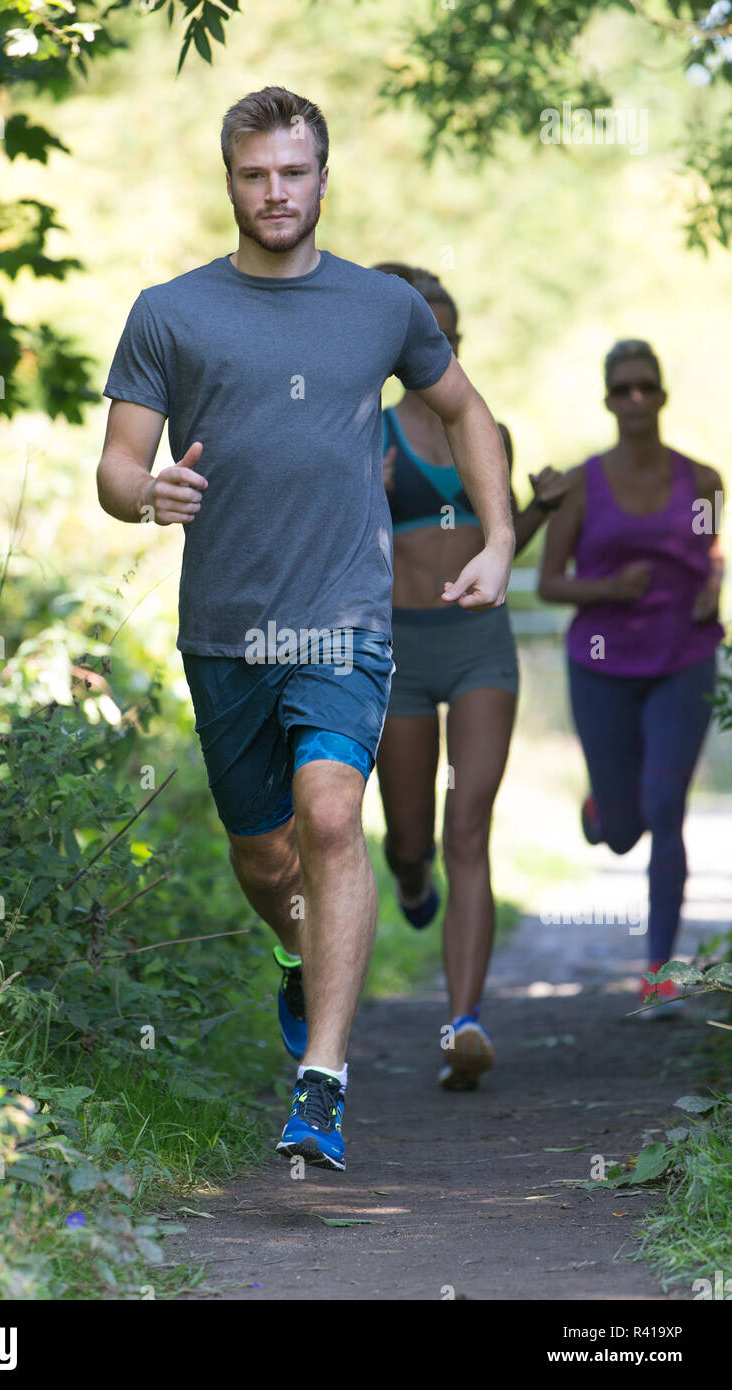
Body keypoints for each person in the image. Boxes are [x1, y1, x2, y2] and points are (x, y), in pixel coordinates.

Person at [96, 86, 514, 1171]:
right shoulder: (169, 311)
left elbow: (464, 411)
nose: (273, 192)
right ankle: (299, 951)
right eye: (253, 174)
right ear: (228, 179)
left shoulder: (379, 306)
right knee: (260, 847)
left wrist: (499, 539)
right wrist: (148, 495)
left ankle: (319, 1082)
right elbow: (113, 463)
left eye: (292, 172)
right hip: (225, 625)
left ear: (324, 178)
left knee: (330, 817)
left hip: (341, 617)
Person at [372, 263, 567, 1088]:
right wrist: (365, 498)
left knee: (470, 829)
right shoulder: (367, 431)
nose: (440, 344)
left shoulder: (487, 427)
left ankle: (463, 1025)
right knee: (413, 839)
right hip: (400, 649)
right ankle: (409, 878)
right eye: (427, 332)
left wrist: (539, 512)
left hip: (480, 645)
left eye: (450, 333)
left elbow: (498, 543)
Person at [539, 339, 725, 1010]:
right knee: (622, 831)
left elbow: (710, 550)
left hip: (684, 658)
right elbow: (552, 583)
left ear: (664, 394)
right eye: (624, 389)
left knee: (665, 809)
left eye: (647, 385)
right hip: (601, 662)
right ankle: (601, 809)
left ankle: (658, 971)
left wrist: (713, 587)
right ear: (608, 400)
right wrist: (613, 588)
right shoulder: (584, 485)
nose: (637, 398)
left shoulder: (703, 481)